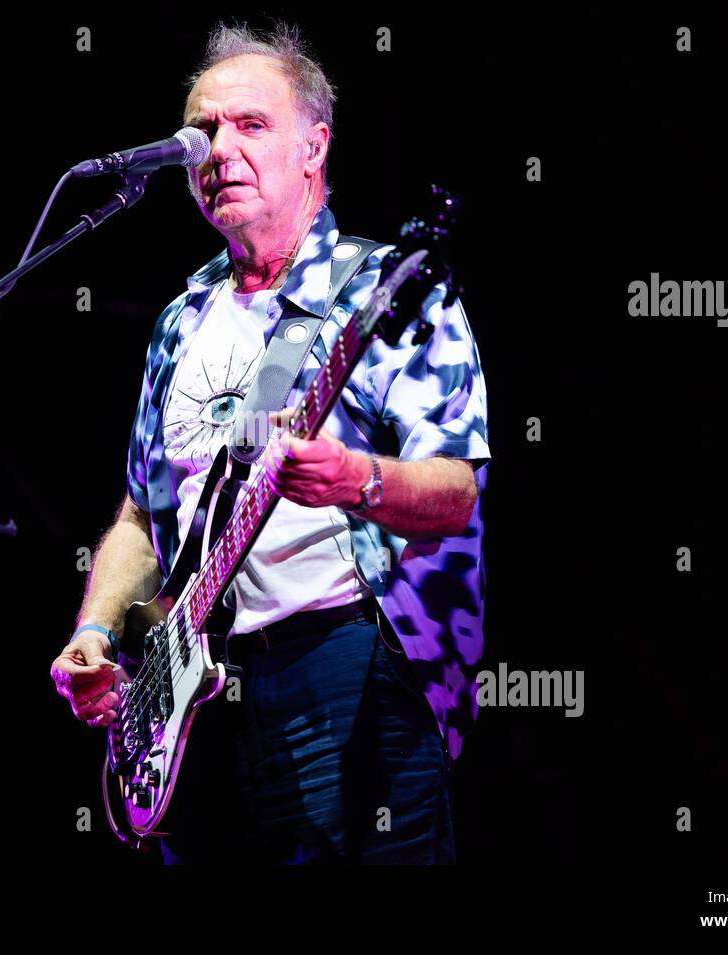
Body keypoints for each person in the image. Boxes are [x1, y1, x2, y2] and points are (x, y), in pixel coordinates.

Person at [50, 22, 489, 864]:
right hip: (200, 708)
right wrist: (98, 629)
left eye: (250, 125)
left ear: (314, 146)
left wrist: (354, 480)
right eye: (202, 131)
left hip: (346, 667)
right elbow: (144, 514)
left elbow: (456, 491)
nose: (218, 149)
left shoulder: (378, 288)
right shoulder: (182, 320)